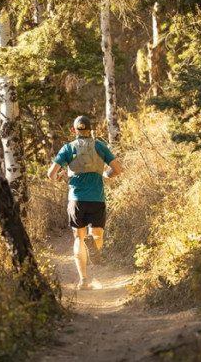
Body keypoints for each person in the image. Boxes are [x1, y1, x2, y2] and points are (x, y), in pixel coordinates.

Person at [47, 115, 123, 290]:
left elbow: (51, 174)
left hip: (76, 200)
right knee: (97, 234)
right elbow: (117, 170)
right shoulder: (99, 146)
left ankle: (83, 280)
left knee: (78, 238)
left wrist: (59, 176)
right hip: (96, 198)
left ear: (74, 131)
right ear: (91, 130)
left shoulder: (68, 148)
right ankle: (93, 243)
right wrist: (105, 174)